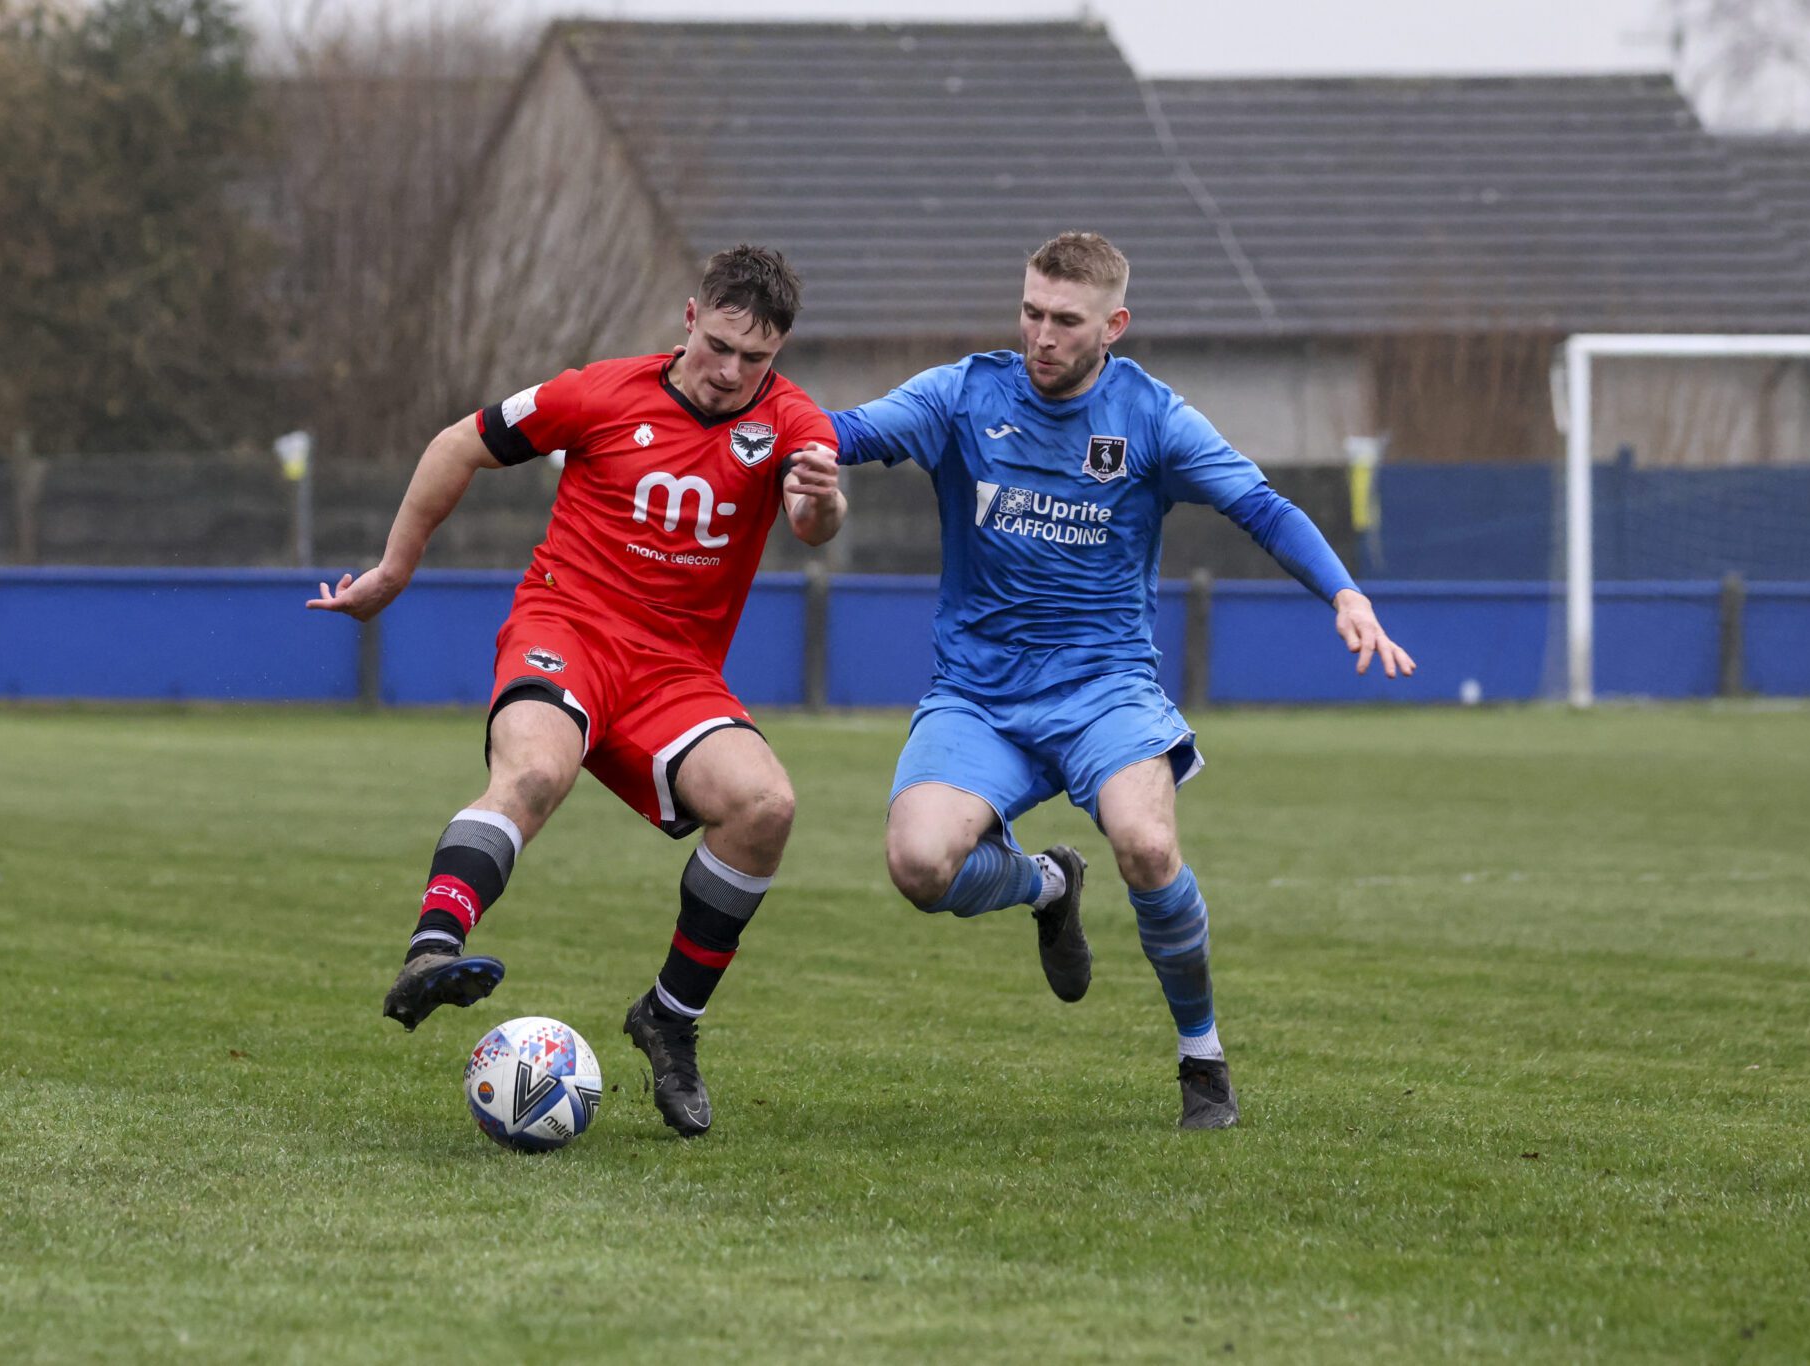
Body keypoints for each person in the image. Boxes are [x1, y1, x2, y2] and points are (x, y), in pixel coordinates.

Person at [824, 232, 1414, 1130]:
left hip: (1105, 690)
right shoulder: (962, 394)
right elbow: (847, 431)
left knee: (1146, 846)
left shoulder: (1152, 417)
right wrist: (780, 441)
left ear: (1114, 325)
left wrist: (1345, 593)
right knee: (919, 865)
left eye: (1066, 320)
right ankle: (1048, 887)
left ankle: (1201, 1057)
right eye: (1031, 312)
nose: (1041, 336)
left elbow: (1262, 507)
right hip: (979, 697)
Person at [308, 245, 846, 1138]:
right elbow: (459, 443)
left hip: (675, 671)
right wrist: (394, 570)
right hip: (567, 630)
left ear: (779, 350)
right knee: (534, 773)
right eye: (718, 345)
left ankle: (669, 1018)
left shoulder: (792, 421)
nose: (729, 371)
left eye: (754, 357)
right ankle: (433, 948)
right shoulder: (600, 393)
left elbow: (813, 519)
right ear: (689, 318)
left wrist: (823, 501)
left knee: (765, 807)